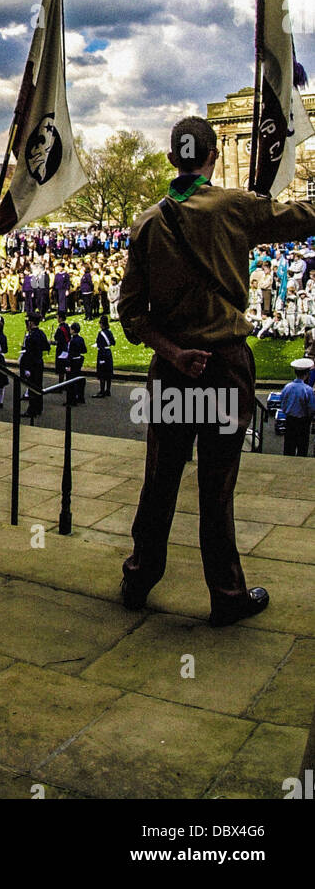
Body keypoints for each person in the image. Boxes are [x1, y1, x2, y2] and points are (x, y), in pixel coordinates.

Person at [118, 115, 315, 626]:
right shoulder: (235, 207)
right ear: (210, 158)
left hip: (171, 365)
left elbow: (132, 316)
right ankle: (226, 594)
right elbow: (304, 217)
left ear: (171, 159)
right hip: (225, 364)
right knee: (217, 484)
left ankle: (140, 576)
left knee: (160, 478)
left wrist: (174, 352)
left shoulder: (144, 222)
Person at [278, 358, 315, 457]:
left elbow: (282, 401)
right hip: (303, 420)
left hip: (290, 419)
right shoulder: (308, 390)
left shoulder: (287, 387)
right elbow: (311, 407)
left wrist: (286, 411)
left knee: (289, 444)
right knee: (302, 446)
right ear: (307, 374)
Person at [19, 313, 49, 419]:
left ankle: (31, 410)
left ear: (31, 323)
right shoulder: (41, 334)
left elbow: (28, 353)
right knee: (38, 386)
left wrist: (26, 368)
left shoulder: (31, 336)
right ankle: (38, 408)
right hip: (39, 362)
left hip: (32, 364)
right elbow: (46, 346)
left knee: (32, 387)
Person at [93, 314, 115, 398]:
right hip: (108, 353)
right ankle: (108, 390)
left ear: (101, 324)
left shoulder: (100, 333)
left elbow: (98, 343)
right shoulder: (109, 332)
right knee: (108, 372)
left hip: (102, 353)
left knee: (102, 372)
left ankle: (102, 391)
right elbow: (113, 342)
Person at [66, 322, 86, 404]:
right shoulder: (81, 339)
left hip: (73, 361)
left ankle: (71, 399)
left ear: (73, 330)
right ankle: (80, 397)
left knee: (70, 381)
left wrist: (68, 365)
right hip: (78, 360)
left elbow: (70, 354)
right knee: (78, 379)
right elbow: (84, 350)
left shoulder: (72, 341)